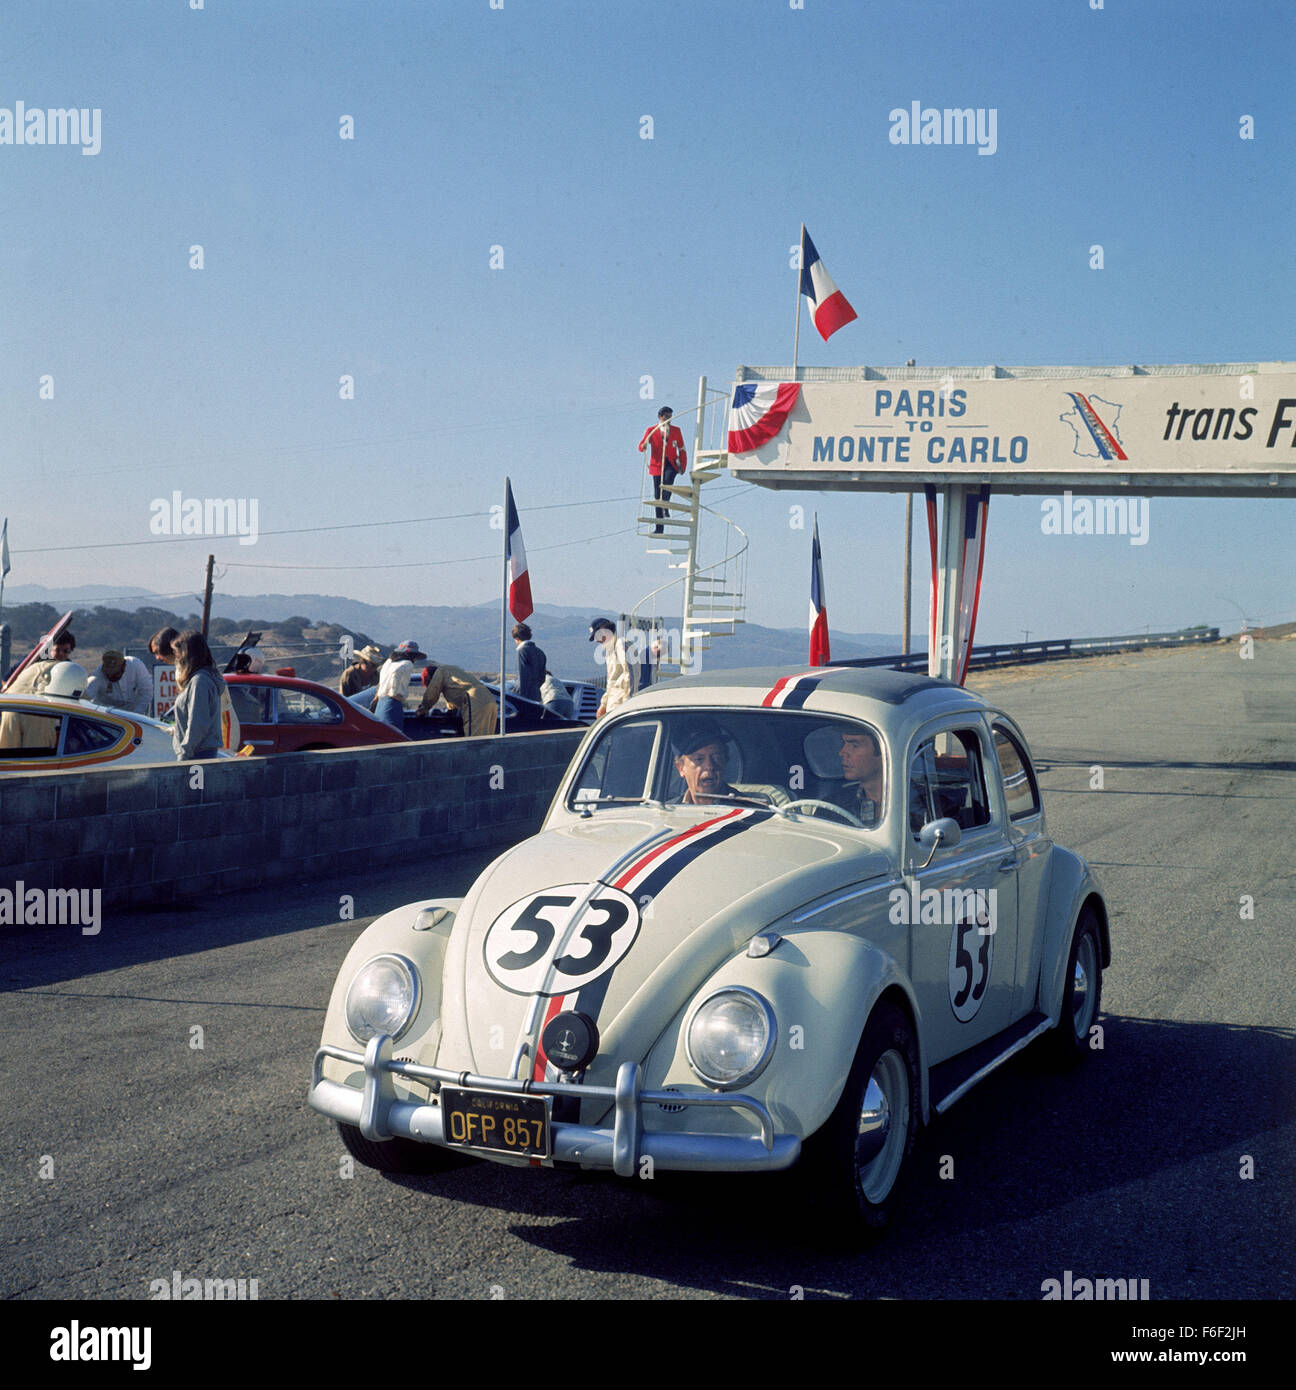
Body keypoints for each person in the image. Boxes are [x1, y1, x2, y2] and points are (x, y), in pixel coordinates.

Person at [671, 721, 769, 806]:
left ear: (725, 761)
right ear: (680, 768)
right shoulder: (668, 814)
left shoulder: (749, 811)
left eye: (716, 758)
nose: (709, 766)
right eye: (699, 759)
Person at [171, 630, 226, 761]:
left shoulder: (199, 682)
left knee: (197, 783)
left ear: (186, 654)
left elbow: (198, 723)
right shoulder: (202, 679)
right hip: (199, 751)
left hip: (196, 754)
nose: (176, 659)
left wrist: (185, 753)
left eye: (177, 654)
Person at [638, 405, 688, 535]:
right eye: (666, 417)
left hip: (671, 463)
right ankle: (659, 527)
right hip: (657, 465)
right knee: (657, 495)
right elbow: (641, 445)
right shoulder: (652, 430)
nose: (669, 419)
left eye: (670, 417)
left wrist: (683, 465)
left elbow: (682, 448)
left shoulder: (676, 431)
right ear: (660, 417)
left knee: (667, 483)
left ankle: (666, 504)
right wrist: (643, 446)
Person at [416, 661, 498, 737]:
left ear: (431, 678)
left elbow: (432, 692)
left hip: (474, 699)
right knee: (486, 739)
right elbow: (453, 700)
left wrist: (422, 709)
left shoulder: (440, 672)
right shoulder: (452, 672)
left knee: (473, 741)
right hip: (490, 699)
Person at [827, 728, 884, 826]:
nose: (842, 753)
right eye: (844, 744)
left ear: (883, 751)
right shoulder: (833, 806)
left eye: (855, 745)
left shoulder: (916, 804)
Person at [371, 641, 424, 731]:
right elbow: (397, 673)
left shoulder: (388, 662)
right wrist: (394, 692)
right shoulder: (407, 664)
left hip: (380, 704)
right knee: (393, 736)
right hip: (392, 704)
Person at [85, 650, 152, 714]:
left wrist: (137, 713)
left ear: (124, 666)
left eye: (115, 673)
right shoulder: (97, 675)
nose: (111, 676)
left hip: (133, 712)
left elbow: (146, 691)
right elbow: (86, 695)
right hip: (106, 714)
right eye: (108, 673)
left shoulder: (135, 665)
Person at [590, 618, 631, 718]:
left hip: (621, 702)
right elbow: (611, 681)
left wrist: (628, 701)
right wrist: (603, 704)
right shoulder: (610, 649)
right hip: (614, 702)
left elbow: (630, 673)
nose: (597, 641)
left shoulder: (621, 644)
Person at [512, 623, 546, 703]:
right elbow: (542, 677)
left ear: (516, 638)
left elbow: (522, 675)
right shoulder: (540, 652)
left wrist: (517, 696)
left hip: (523, 697)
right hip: (536, 695)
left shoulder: (522, 651)